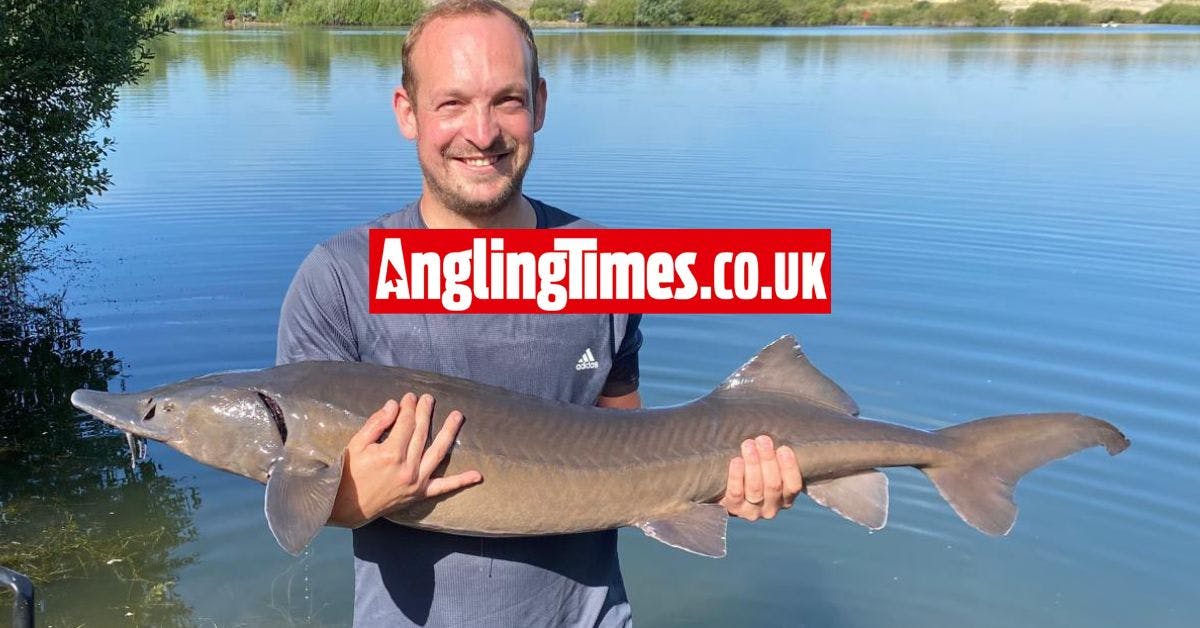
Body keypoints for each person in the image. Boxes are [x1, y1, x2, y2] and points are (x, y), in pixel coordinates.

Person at [275, 1, 804, 625]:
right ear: (407, 113)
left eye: (507, 100)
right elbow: (298, 492)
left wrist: (726, 481)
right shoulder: (337, 279)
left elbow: (635, 445)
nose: (482, 132)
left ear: (541, 105)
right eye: (451, 103)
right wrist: (356, 497)